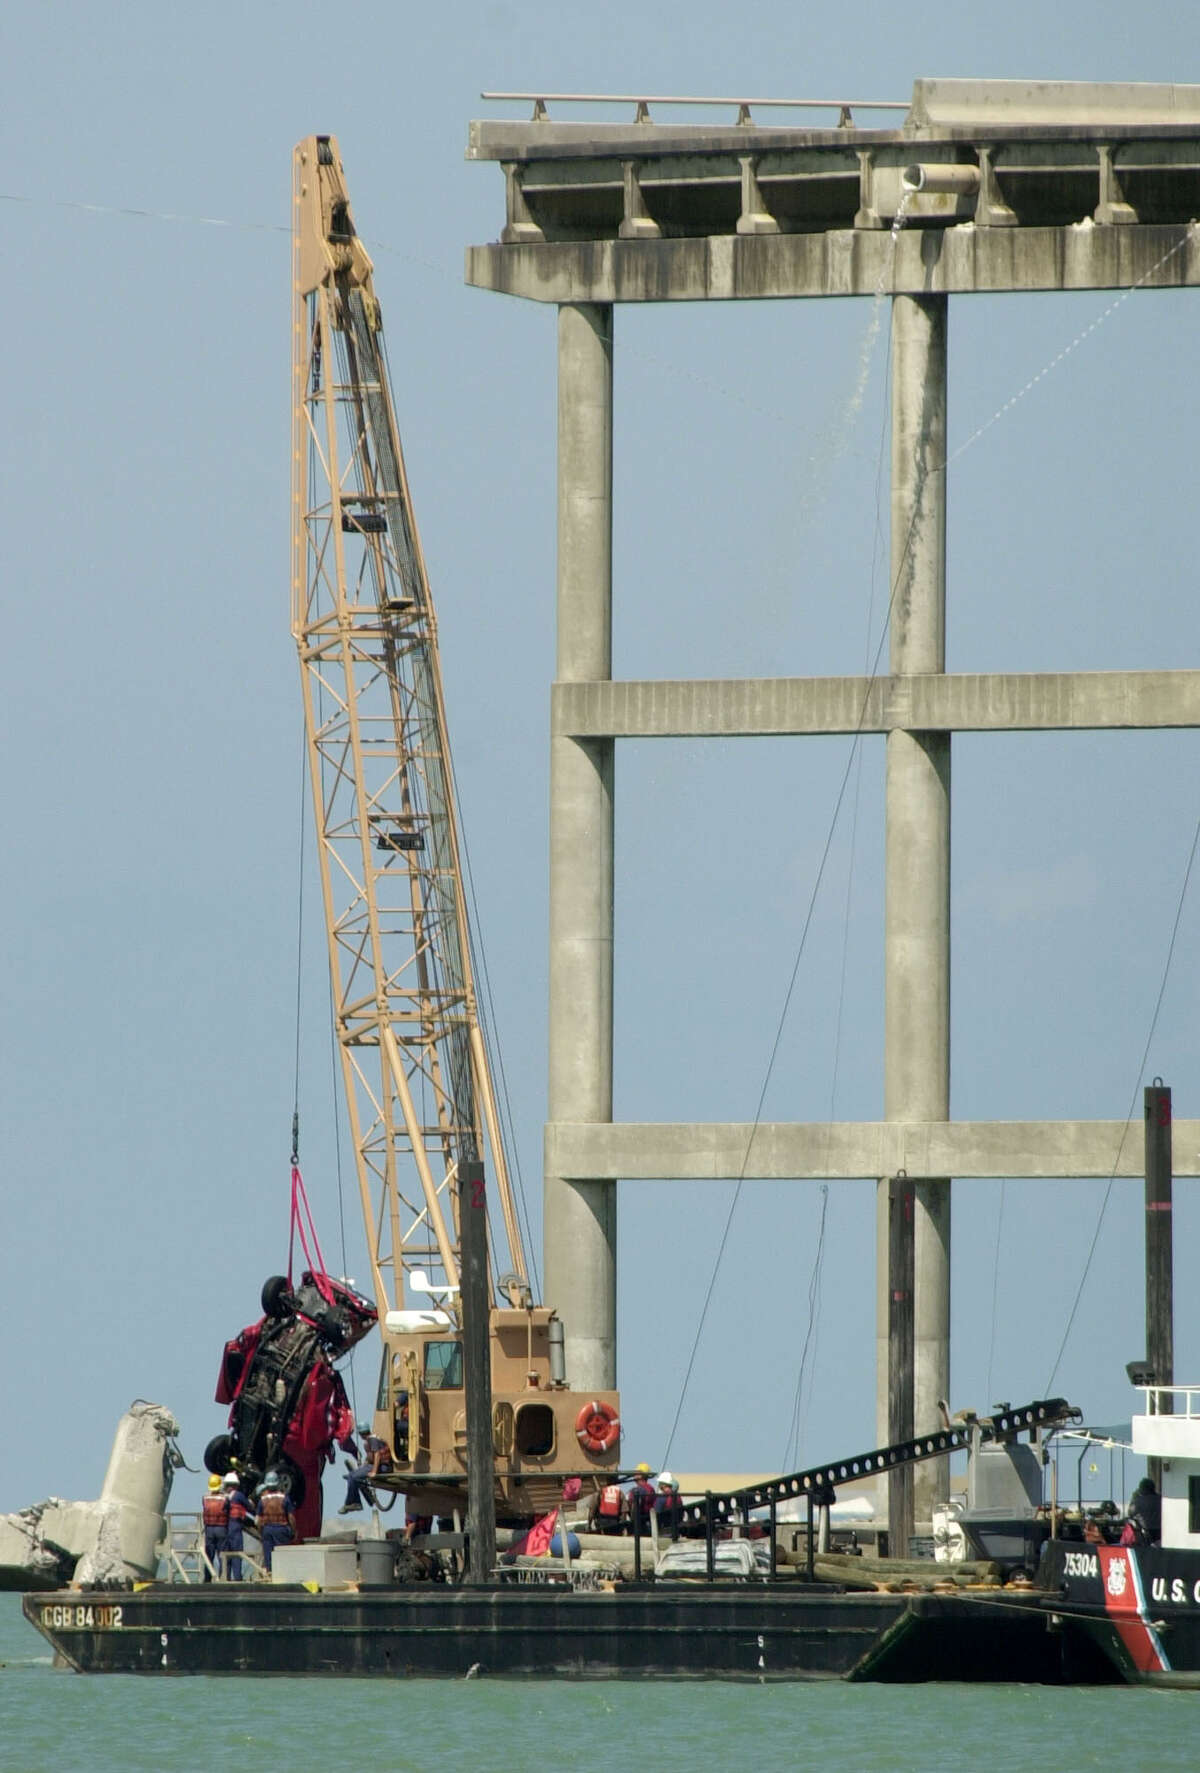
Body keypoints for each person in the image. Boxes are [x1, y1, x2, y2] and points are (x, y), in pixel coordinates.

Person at [340, 1419, 394, 1515]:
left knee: (353, 1477)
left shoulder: (372, 1439)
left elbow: (377, 1454)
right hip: (375, 1465)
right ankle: (354, 1502)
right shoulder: (371, 1440)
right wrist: (362, 1468)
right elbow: (370, 1458)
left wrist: (374, 1471)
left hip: (383, 1467)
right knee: (351, 1476)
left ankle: (353, 1503)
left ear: (361, 1433)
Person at [255, 1471, 296, 1572]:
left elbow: (258, 1520)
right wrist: (294, 1531)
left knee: (268, 1555)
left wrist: (261, 1532)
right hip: (281, 1528)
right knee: (282, 1554)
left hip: (267, 1529)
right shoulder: (284, 1498)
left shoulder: (262, 1500)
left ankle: (270, 1574)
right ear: (278, 1483)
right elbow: (291, 1517)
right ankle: (282, 1574)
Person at [222, 1471, 251, 1580]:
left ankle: (226, 1577)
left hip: (224, 1527)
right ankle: (237, 1577)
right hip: (235, 1526)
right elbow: (249, 1507)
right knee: (237, 1553)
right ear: (236, 1485)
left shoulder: (222, 1496)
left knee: (225, 1554)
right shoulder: (238, 1495)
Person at [201, 1474, 229, 1581]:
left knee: (209, 1555)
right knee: (222, 1555)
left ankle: (207, 1578)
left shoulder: (205, 1498)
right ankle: (223, 1576)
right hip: (221, 1528)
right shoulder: (224, 1498)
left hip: (209, 1529)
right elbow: (228, 1509)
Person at [1128, 1475, 1162, 1546]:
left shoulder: (1137, 1501)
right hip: (1161, 1532)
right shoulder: (1161, 1499)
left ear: (1142, 1489)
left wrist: (1134, 1497)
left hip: (1146, 1534)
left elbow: (1130, 1513)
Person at [627, 1462, 657, 1534]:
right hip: (648, 1523)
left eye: (636, 1473)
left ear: (642, 1475)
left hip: (641, 1525)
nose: (634, 1475)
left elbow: (634, 1508)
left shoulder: (638, 1490)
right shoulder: (651, 1488)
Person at [654, 1471, 683, 1541]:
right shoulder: (678, 1497)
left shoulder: (661, 1499)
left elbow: (656, 1514)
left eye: (661, 1486)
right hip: (676, 1529)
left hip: (664, 1530)